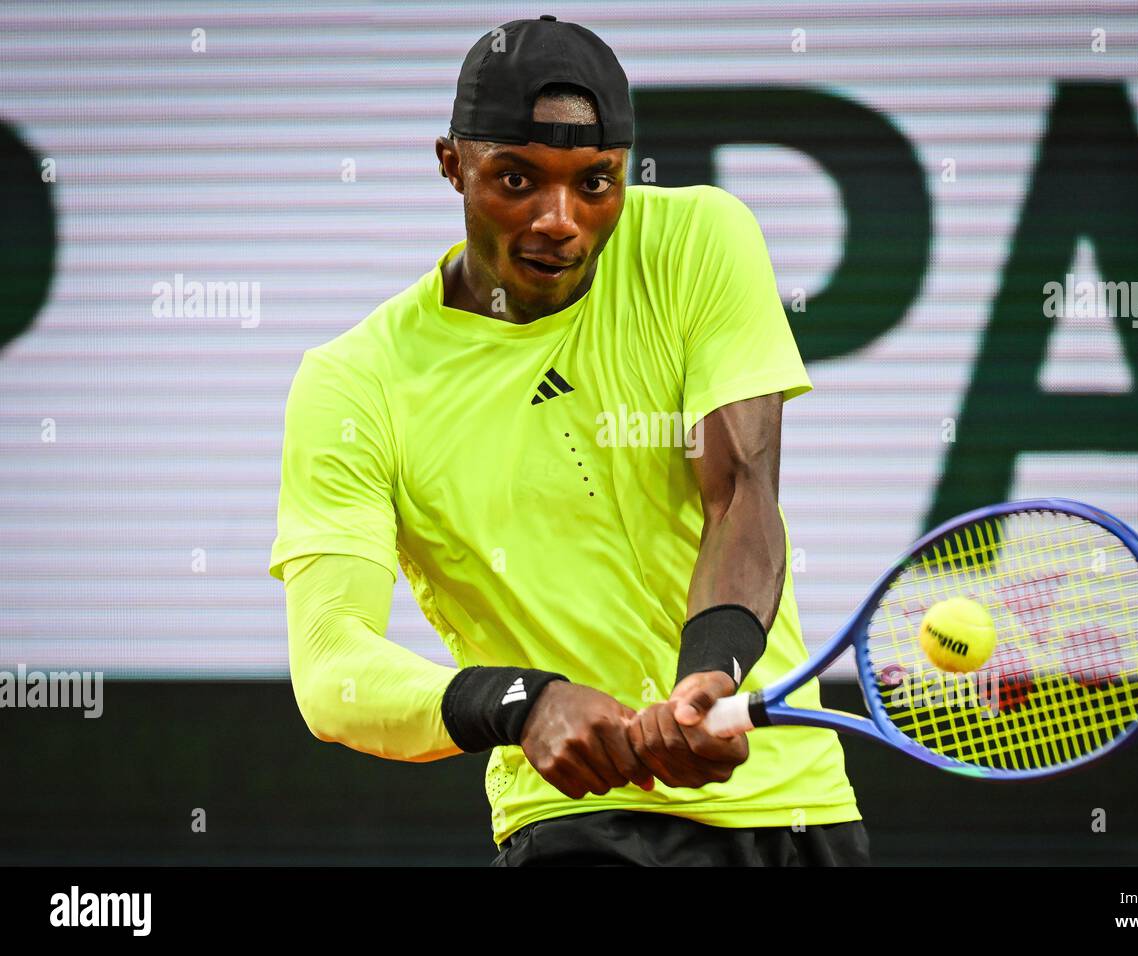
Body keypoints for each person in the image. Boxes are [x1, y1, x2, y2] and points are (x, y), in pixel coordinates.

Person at [269, 14, 867, 866]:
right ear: (452, 164)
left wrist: (712, 672)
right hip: (577, 826)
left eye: (596, 183)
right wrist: (523, 702)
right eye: (517, 179)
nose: (561, 219)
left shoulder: (700, 239)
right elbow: (334, 671)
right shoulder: (353, 382)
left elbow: (740, 493)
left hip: (802, 812)